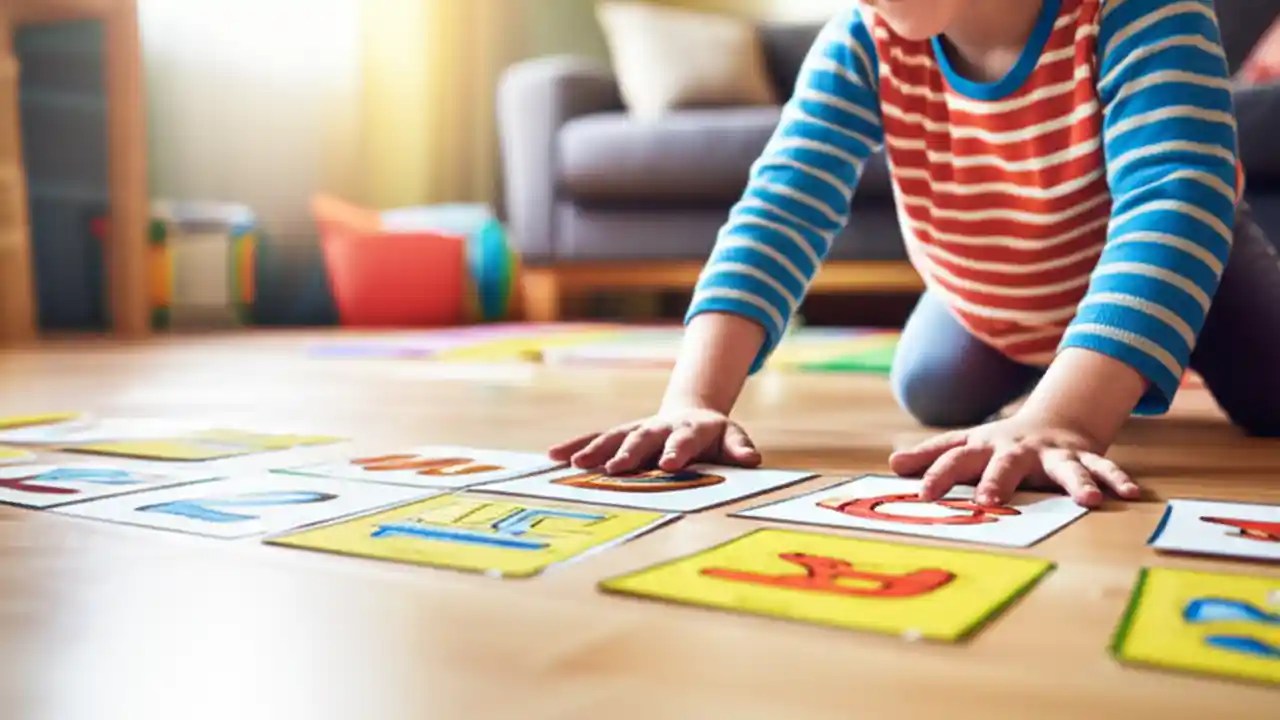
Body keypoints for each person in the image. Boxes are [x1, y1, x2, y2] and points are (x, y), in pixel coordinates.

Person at [550, 0, 1280, 508]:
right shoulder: (864, 39)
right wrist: (693, 400)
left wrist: (1067, 418)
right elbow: (780, 207)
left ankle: (1083, 375)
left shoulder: (1138, 10)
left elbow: (1175, 204)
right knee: (931, 392)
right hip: (989, 296)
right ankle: (1046, 360)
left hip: (1190, 279)